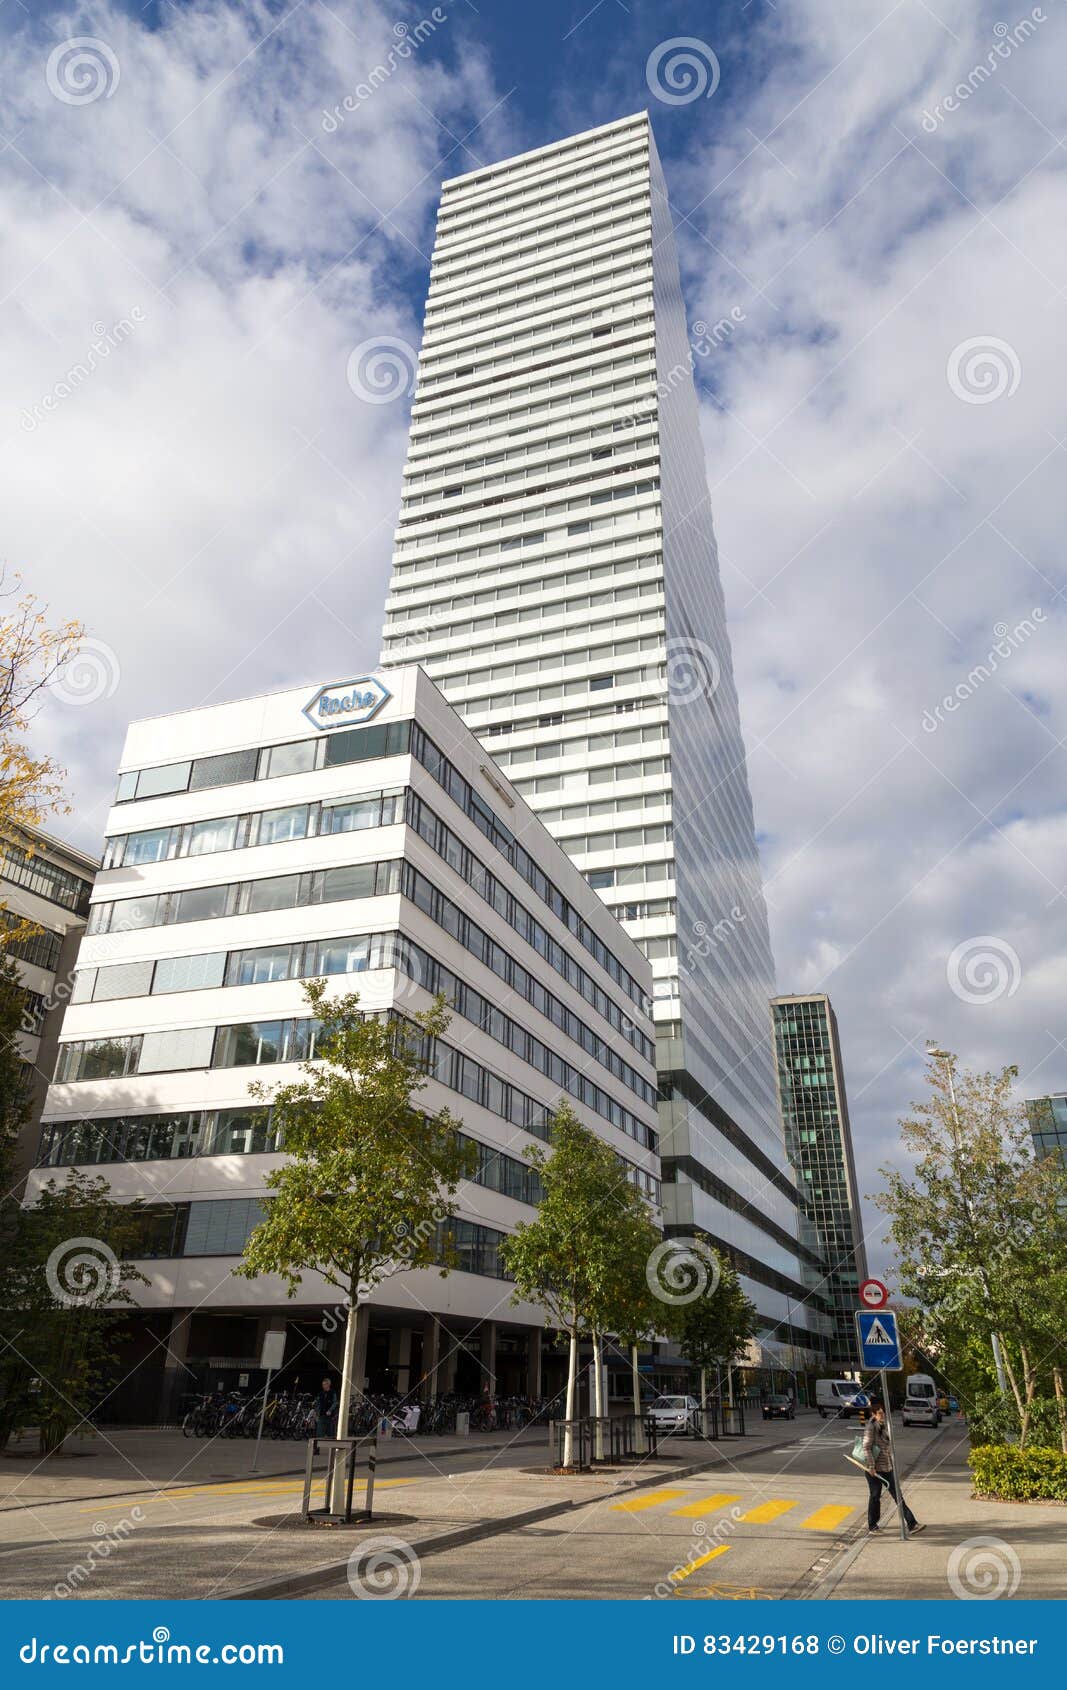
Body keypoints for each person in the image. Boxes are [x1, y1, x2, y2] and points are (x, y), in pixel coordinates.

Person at [863, 1401, 923, 1534]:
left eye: (883, 1413)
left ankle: (912, 1524)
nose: (882, 1415)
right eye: (880, 1413)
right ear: (873, 1414)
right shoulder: (870, 1427)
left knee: (897, 1495)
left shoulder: (882, 1425)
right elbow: (866, 1447)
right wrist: (871, 1466)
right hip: (874, 1469)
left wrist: (891, 1463)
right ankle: (872, 1525)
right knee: (875, 1496)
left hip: (886, 1468)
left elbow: (886, 1447)